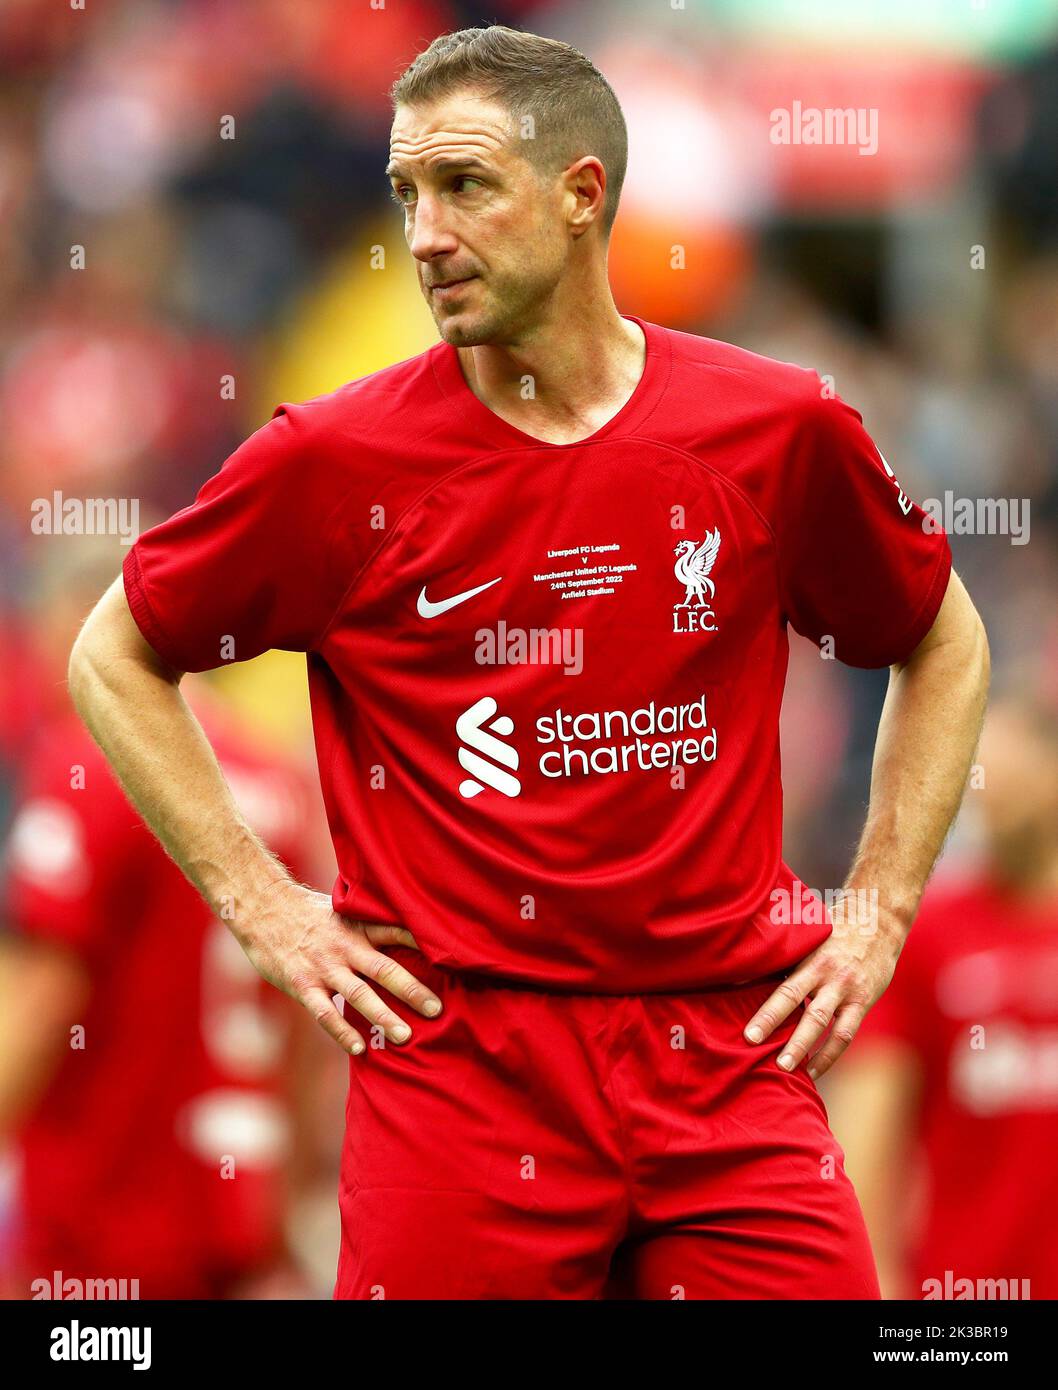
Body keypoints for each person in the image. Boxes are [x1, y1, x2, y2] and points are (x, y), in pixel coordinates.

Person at [67, 25, 989, 1299]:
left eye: (462, 186)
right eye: (406, 194)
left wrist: (877, 908)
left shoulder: (773, 428)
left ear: (579, 197)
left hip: (724, 1055)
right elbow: (115, 652)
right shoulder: (333, 464)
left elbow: (938, 636)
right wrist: (265, 907)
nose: (424, 233)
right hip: (461, 1072)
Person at [0, 539, 323, 1299]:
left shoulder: (87, 768)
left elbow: (39, 1002)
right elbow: (311, 1015)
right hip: (241, 1227)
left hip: (102, 1237)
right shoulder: (279, 777)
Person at [827, 694, 1058, 1301]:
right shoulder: (927, 937)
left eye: (1015, 758)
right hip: (964, 1310)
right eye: (982, 765)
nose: (989, 783)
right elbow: (861, 1153)